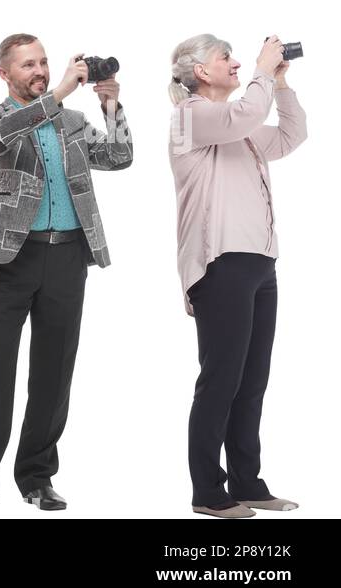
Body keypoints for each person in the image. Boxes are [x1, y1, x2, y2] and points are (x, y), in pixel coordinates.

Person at [0, 33, 132, 516]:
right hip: (11, 258)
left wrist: (112, 107)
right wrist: (55, 96)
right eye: (28, 64)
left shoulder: (73, 122)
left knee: (54, 374)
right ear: (5, 73)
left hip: (68, 256)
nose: (39, 70)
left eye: (44, 62)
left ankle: (36, 476)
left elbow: (118, 157)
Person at [168, 34, 305, 518]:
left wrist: (280, 85)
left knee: (252, 380)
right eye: (226, 57)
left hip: (259, 263)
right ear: (200, 71)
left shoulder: (238, 128)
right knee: (221, 380)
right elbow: (243, 114)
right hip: (220, 262)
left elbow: (291, 136)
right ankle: (208, 491)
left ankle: (248, 482)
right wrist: (263, 73)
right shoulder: (192, 116)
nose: (238, 63)